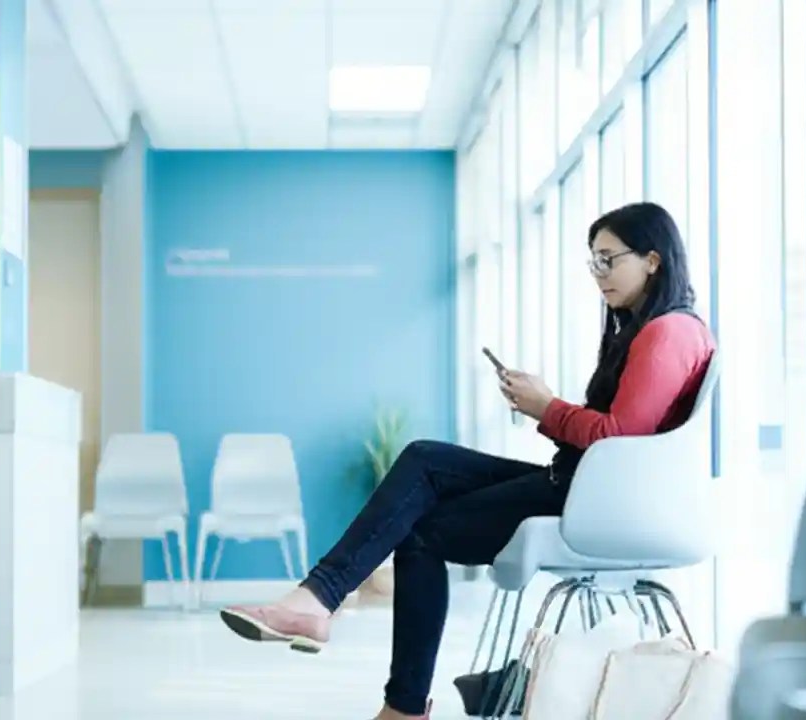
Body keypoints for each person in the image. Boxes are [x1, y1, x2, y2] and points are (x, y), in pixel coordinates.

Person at [218, 202, 717, 720]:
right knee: (424, 460)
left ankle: (367, 663)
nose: (599, 276)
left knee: (420, 527)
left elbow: (617, 436)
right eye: (593, 263)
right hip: (585, 487)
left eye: (608, 260)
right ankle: (323, 608)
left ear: (653, 260)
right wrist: (548, 410)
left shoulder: (668, 332)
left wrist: (547, 407)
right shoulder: (656, 330)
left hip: (597, 501)